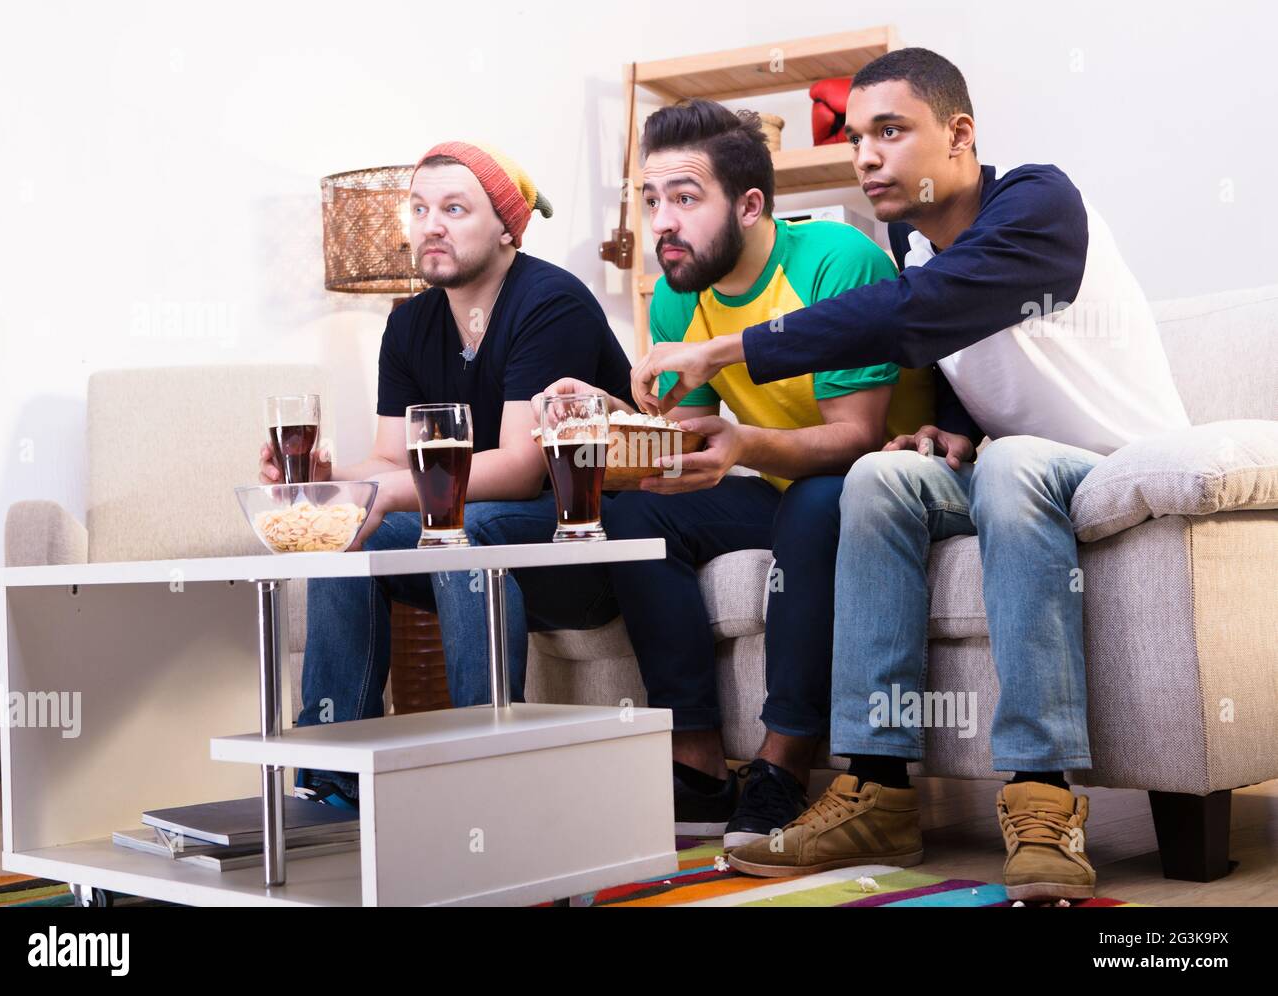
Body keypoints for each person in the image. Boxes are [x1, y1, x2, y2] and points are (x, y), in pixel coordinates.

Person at [631, 49, 1190, 901]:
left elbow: (925, 311)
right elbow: (973, 346)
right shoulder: (911, 238)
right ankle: (877, 788)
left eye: (889, 132)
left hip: (1114, 465)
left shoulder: (1039, 201)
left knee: (1014, 463)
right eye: (856, 137)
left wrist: (735, 345)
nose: (865, 156)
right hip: (1008, 466)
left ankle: (1042, 797)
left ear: (959, 136)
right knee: (878, 479)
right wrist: (953, 427)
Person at [541, 98, 933, 850]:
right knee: (639, 511)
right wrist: (609, 412)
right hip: (780, 485)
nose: (662, 222)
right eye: (652, 199)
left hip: (875, 484)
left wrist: (743, 447)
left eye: (686, 198)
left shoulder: (836, 261)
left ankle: (782, 764)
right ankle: (696, 761)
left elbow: (853, 441)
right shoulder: (677, 297)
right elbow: (678, 437)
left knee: (817, 502)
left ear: (750, 205)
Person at [262, 141, 632, 809]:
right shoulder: (410, 324)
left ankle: (485, 779)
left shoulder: (551, 302)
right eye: (420, 208)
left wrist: (377, 492)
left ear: (506, 225)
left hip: (580, 540)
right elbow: (389, 460)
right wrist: (328, 485)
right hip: (483, 536)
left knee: (468, 526)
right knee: (350, 535)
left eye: (454, 208)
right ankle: (327, 787)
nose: (430, 224)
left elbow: (523, 469)